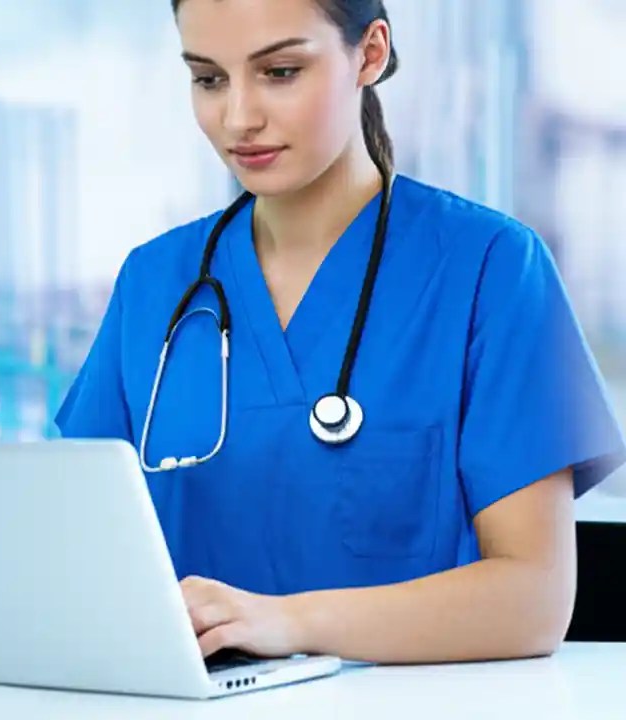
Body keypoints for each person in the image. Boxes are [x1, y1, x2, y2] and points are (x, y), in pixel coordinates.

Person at [54, 0, 626, 665]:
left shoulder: (490, 269)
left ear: (370, 54)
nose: (238, 118)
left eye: (281, 72)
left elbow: (531, 601)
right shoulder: (155, 283)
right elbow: (73, 554)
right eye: (209, 79)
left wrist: (286, 622)